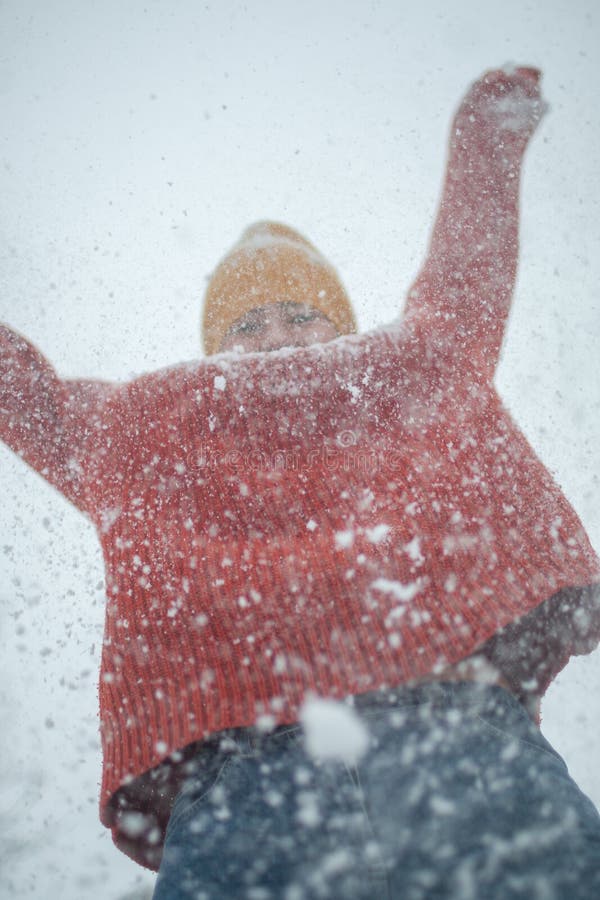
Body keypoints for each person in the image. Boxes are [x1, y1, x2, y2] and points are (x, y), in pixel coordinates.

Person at [1, 66, 600, 898]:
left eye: (302, 313)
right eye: (249, 323)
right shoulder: (152, 434)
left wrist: (487, 141)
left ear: (342, 325)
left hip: (462, 741)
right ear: (215, 349)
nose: (279, 336)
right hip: (244, 784)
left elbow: (466, 275)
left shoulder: (407, 374)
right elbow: (26, 396)